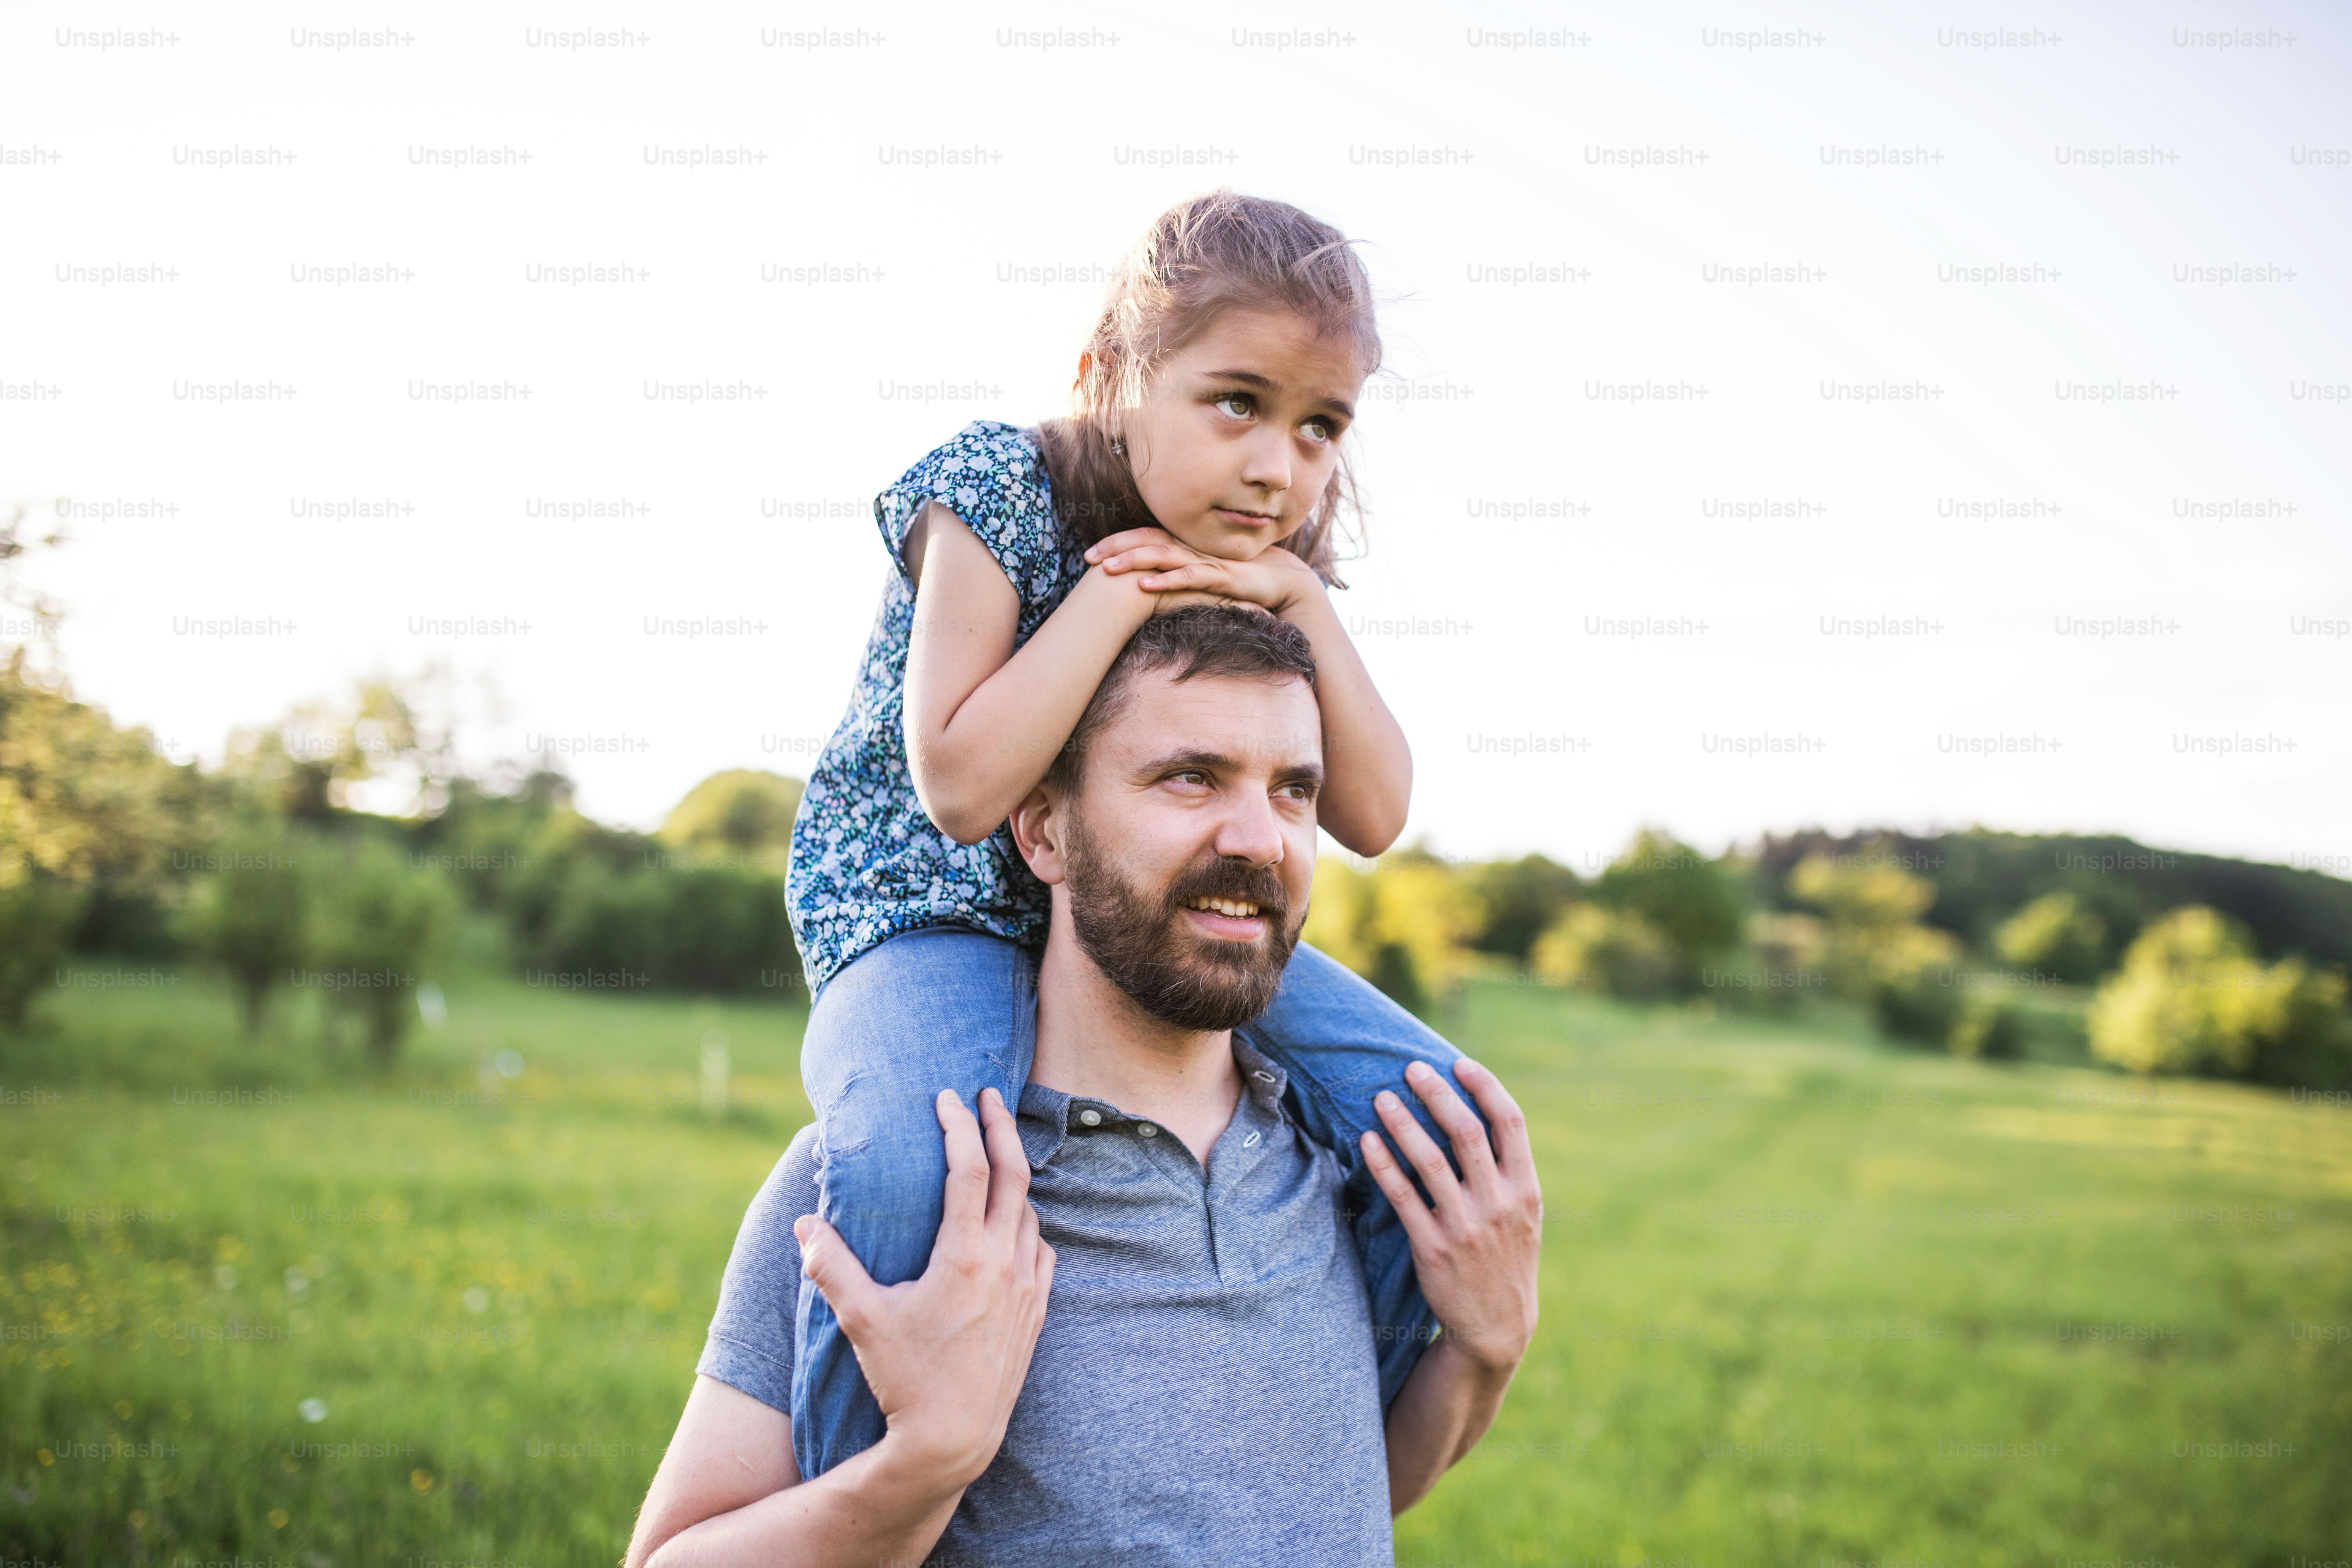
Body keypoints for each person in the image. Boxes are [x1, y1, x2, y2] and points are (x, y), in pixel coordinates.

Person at [782, 190, 1484, 1479]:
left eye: (1321, 427)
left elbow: (1374, 814)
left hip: (1134, 903)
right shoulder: (995, 486)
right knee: (896, 1166)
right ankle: (848, 1501)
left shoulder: (1263, 544)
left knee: (1440, 1124)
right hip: (922, 905)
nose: (1279, 464)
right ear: (1114, 375)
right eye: (1239, 401)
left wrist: (1306, 607)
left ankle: (1328, 1464)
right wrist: (1112, 592)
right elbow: (960, 785)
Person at [626, 606, 1543, 1566]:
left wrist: (1482, 1352)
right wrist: (923, 1462)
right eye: (1191, 777)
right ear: (1044, 832)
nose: (1259, 836)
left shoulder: (1355, 1173)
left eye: (1294, 791)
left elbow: (1346, 1494)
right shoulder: (897, 1184)